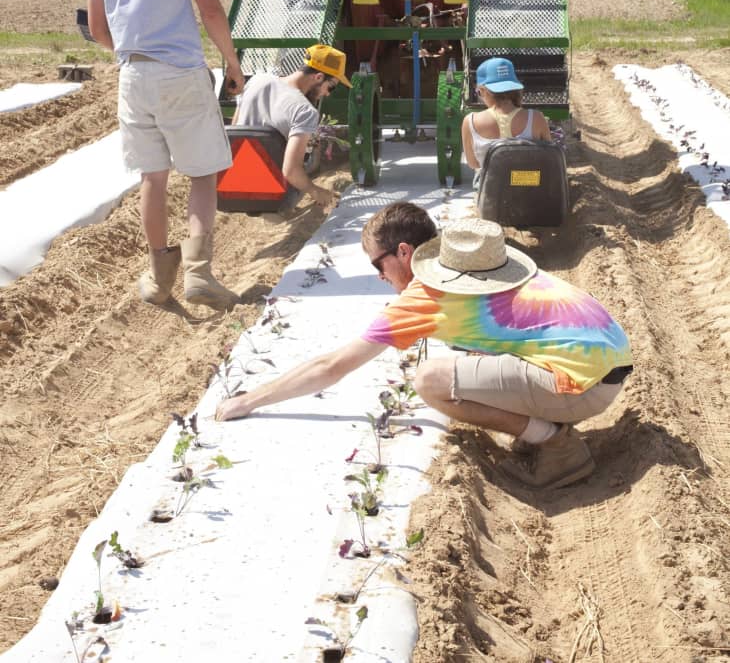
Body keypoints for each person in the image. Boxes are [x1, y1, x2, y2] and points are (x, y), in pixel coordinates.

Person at [216, 206, 633, 490]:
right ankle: (548, 429)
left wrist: (251, 400)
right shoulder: (484, 273)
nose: (379, 276)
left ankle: (557, 445)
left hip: (585, 387)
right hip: (607, 364)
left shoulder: (428, 297)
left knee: (431, 380)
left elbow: (333, 366)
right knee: (470, 358)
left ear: (402, 252)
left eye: (377, 264)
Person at [87, 0, 245, 312]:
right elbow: (210, 9)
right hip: (181, 72)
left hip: (132, 76)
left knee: (151, 179)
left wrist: (132, 48)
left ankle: (159, 279)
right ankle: (199, 274)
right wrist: (232, 65)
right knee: (201, 174)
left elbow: (98, 28)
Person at [233, 44, 350, 209]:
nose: (328, 93)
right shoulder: (305, 110)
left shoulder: (256, 80)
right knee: (305, 167)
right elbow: (291, 171)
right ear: (318, 77)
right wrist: (316, 192)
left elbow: (235, 128)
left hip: (234, 178)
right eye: (330, 86)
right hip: (270, 191)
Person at [462, 56, 552, 176]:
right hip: (530, 189)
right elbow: (549, 157)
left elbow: (473, 164)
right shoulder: (536, 118)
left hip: (492, 190)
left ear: (484, 91)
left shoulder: (470, 121)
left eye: (478, 93)